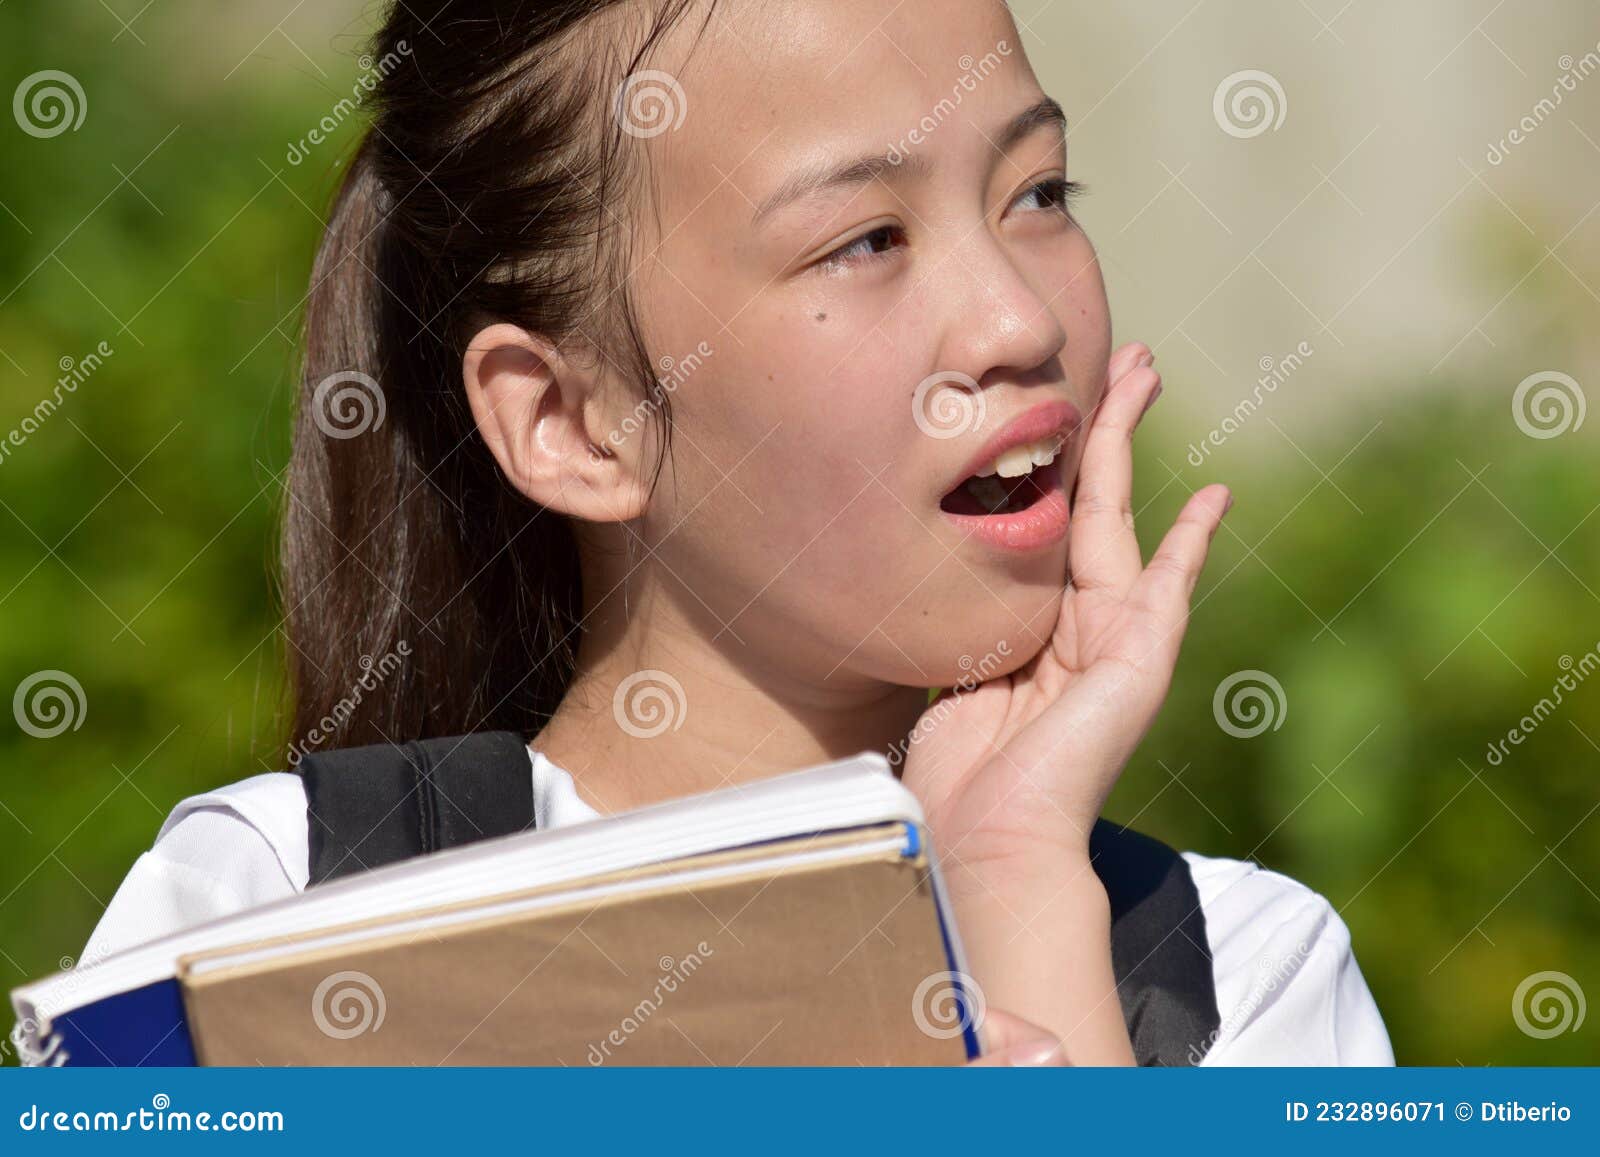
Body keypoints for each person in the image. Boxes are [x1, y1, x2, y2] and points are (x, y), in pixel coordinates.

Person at [74, 0, 1393, 1065]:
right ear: (573, 424)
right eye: (867, 238)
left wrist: (1010, 883)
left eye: (1039, 192)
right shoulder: (270, 915)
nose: (1017, 323)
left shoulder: (1228, 976)